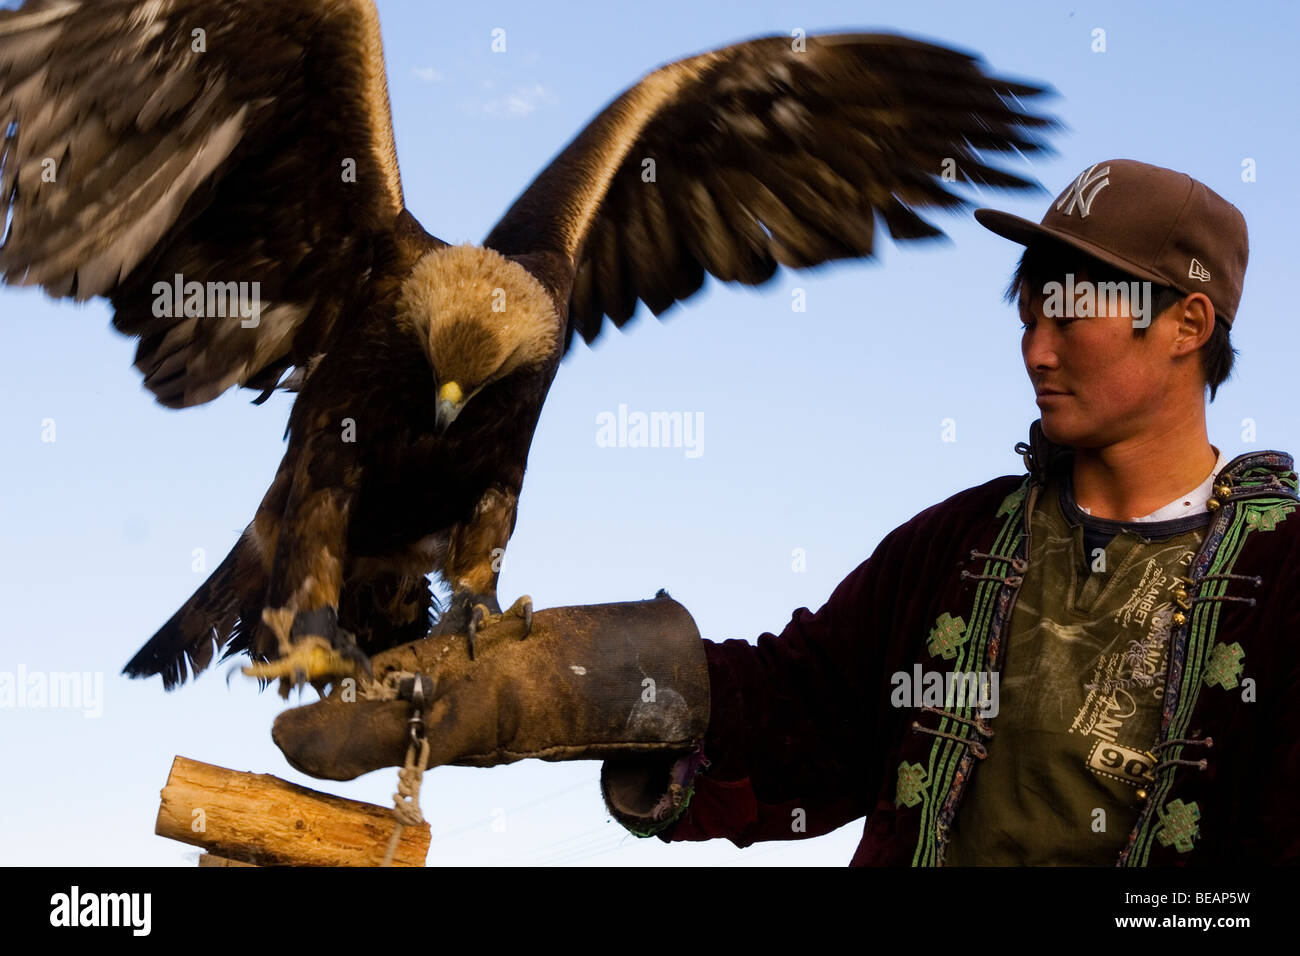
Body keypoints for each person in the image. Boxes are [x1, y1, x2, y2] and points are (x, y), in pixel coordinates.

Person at [273, 160, 1300, 866]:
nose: (1035, 347)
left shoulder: (1287, 577)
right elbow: (798, 711)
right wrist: (542, 688)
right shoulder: (958, 547)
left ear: (1186, 324)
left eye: (1069, 312)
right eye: (1026, 313)